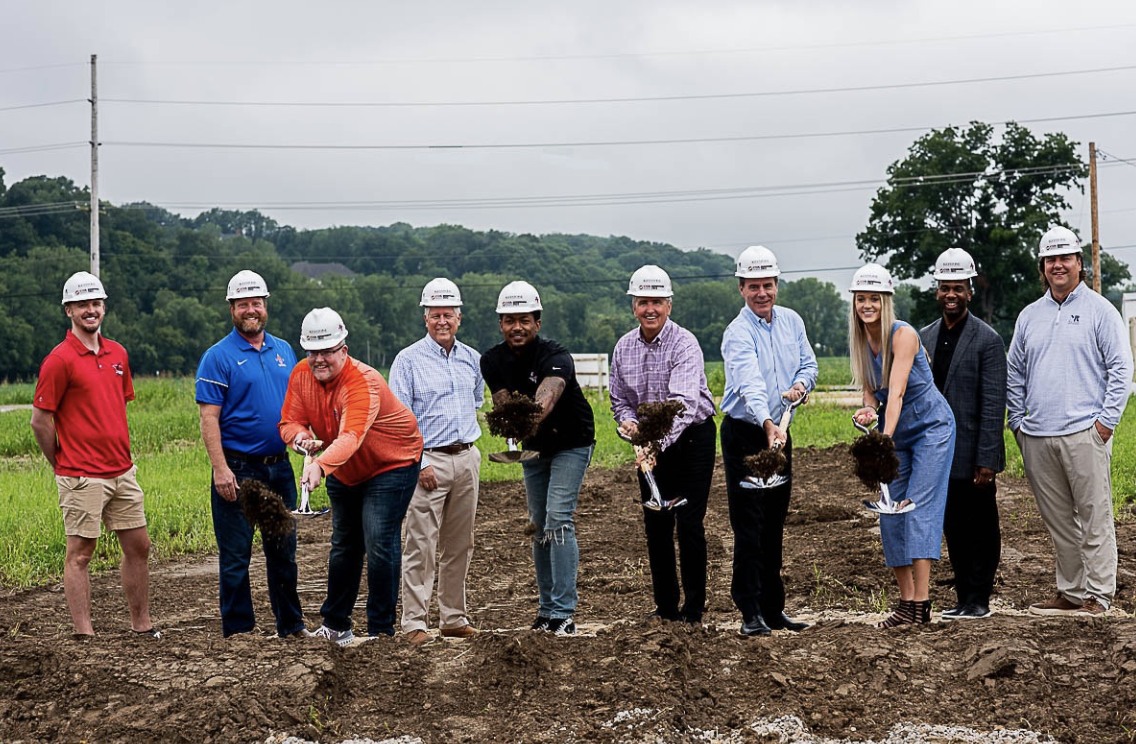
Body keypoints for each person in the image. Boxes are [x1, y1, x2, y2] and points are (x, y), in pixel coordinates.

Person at [1007, 225, 1132, 617]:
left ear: (1079, 263)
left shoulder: (1100, 311)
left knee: (1095, 516)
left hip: (1085, 433)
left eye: (1065, 258)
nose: (1058, 265)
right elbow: (1015, 373)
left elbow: (1121, 369)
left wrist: (1105, 425)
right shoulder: (1029, 317)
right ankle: (1072, 592)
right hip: (1039, 436)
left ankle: (1099, 595)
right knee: (1059, 521)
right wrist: (1016, 423)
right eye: (1051, 259)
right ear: (1042, 266)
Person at [279, 307, 423, 645]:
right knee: (345, 543)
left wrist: (318, 466)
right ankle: (336, 625)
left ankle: (381, 632)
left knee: (377, 538)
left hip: (392, 461)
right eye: (313, 351)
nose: (320, 359)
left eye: (328, 351)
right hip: (344, 465)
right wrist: (300, 438)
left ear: (343, 349)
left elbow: (350, 437)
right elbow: (289, 421)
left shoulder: (363, 381)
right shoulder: (301, 375)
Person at [30, 271, 159, 639]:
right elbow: (40, 421)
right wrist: (60, 462)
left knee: (139, 546)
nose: (91, 310)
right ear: (68, 310)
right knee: (81, 554)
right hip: (81, 474)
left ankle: (141, 626)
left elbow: (117, 404)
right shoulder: (59, 360)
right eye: (82, 304)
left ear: (103, 307)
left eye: (96, 303)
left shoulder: (118, 352)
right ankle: (85, 635)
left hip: (122, 470)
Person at [480, 281, 595, 635]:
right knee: (538, 523)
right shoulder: (492, 360)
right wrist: (511, 434)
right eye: (510, 320)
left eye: (525, 319)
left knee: (559, 517)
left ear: (538, 322)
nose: (517, 327)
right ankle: (546, 611)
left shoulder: (556, 356)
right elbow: (502, 403)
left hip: (571, 441)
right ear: (500, 323)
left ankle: (564, 613)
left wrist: (522, 421)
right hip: (533, 447)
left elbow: (545, 400)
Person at [195, 270, 305, 638]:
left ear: (265, 305)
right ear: (232, 309)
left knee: (283, 554)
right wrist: (220, 469)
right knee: (236, 558)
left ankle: (290, 627)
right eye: (243, 304)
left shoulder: (284, 350)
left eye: (256, 302)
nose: (251, 310)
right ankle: (240, 633)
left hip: (279, 468)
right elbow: (208, 418)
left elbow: (295, 406)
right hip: (238, 469)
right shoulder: (217, 357)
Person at [849, 263, 956, 628]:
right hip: (897, 435)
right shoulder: (862, 339)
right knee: (890, 510)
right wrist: (866, 411)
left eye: (873, 299)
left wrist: (883, 442)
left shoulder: (903, 335)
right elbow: (873, 393)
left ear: (886, 301)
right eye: (861, 299)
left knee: (918, 508)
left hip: (929, 429)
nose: (867, 305)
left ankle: (922, 604)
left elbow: (894, 393)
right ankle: (906, 602)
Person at [609, 265, 717, 625]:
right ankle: (666, 609)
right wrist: (629, 426)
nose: (650, 309)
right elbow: (619, 400)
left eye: (657, 301)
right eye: (643, 302)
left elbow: (682, 404)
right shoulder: (623, 348)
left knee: (688, 522)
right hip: (649, 444)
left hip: (691, 438)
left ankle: (694, 609)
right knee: (656, 521)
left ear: (669, 304)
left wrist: (654, 444)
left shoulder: (684, 343)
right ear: (633, 306)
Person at [720, 246, 817, 637]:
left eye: (769, 285)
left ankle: (774, 610)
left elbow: (809, 364)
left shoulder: (792, 322)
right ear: (742, 288)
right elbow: (750, 384)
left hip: (782, 429)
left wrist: (800, 386)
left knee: (775, 520)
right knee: (749, 524)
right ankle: (749, 611)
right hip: (748, 433)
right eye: (754, 286)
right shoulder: (737, 332)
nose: (762, 292)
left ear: (777, 284)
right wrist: (767, 423)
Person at [389, 279, 484, 645]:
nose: (442, 321)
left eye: (448, 314)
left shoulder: (471, 358)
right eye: (435, 315)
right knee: (421, 543)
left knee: (460, 542)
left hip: (466, 456)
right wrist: (419, 461)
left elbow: (476, 400)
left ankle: (453, 617)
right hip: (428, 461)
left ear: (459, 317)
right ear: (425, 317)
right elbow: (400, 419)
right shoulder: (408, 360)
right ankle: (414, 622)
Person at [918, 249, 1006, 620]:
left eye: (958, 288)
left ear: (970, 290)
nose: (950, 294)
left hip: (973, 453)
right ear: (936, 291)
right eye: (944, 288)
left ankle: (979, 598)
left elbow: (992, 404)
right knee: (953, 525)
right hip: (938, 452)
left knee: (981, 526)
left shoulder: (988, 340)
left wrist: (986, 458)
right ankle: (962, 596)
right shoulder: (923, 337)